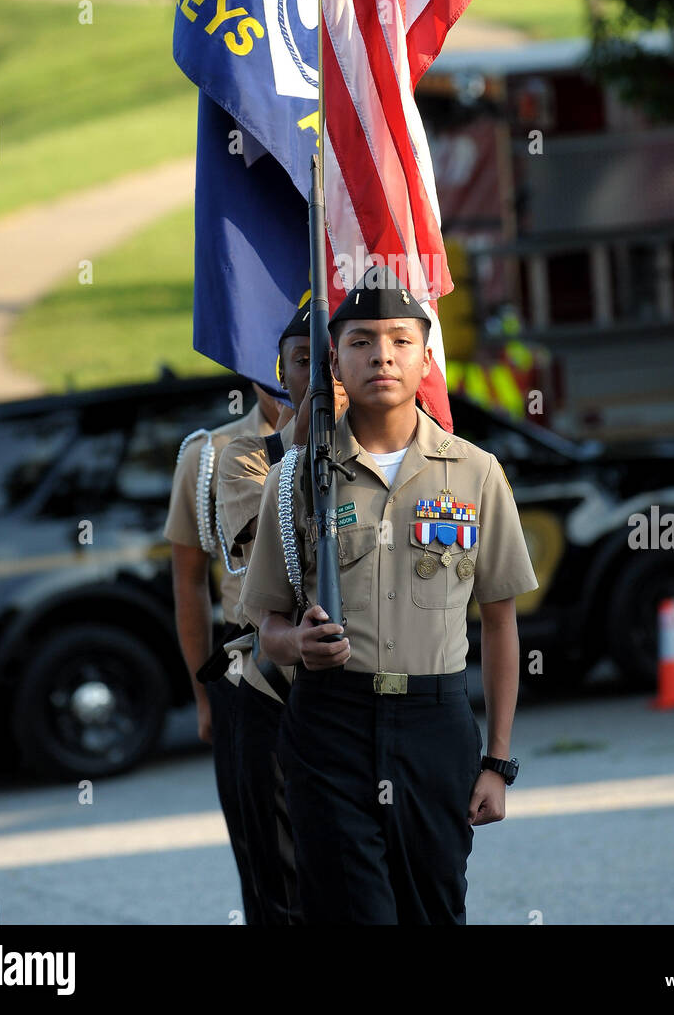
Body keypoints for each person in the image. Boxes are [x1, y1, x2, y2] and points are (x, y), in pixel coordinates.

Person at [240, 265, 539, 925]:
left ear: (426, 356)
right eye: (362, 341)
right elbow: (266, 623)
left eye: (401, 340)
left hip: (436, 726)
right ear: (336, 364)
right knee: (354, 912)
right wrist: (298, 645)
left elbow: (498, 622)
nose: (383, 355)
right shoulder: (297, 479)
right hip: (330, 726)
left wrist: (497, 760)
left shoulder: (475, 472)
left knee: (434, 909)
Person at [214, 304, 346, 925]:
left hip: (361, 680)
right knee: (283, 880)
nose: (322, 375)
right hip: (275, 682)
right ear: (277, 376)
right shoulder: (243, 455)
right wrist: (304, 438)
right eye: (303, 363)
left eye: (330, 361)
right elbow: (263, 531)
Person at [165, 373, 282, 924]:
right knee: (266, 860)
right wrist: (204, 694)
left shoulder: (367, 442)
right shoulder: (209, 455)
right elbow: (189, 581)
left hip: (347, 664)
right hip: (249, 668)